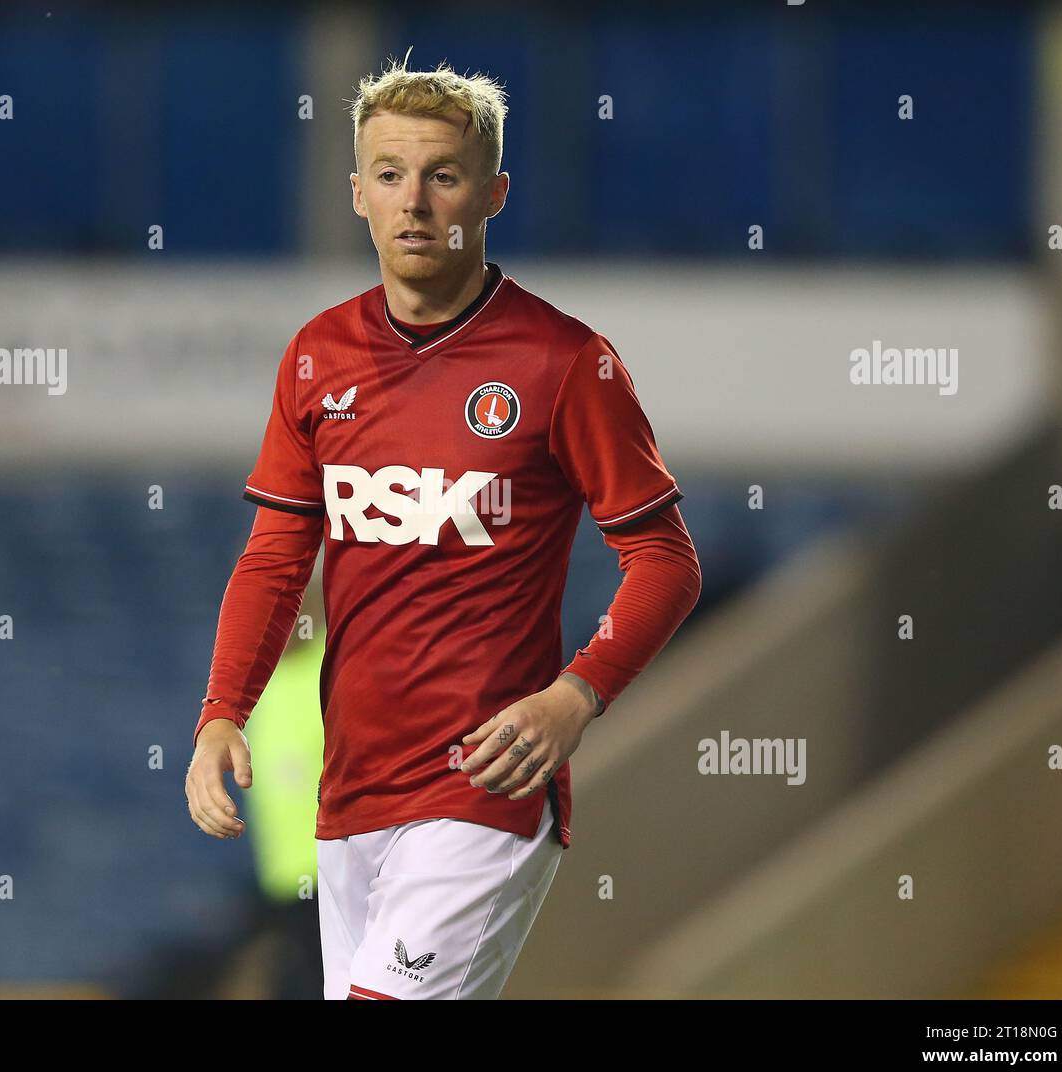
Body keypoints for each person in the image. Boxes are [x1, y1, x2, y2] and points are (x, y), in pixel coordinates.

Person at [185, 51, 702, 1000]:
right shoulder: (314, 358)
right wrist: (222, 711)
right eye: (390, 175)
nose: (415, 202)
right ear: (356, 194)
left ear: (493, 192)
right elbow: (273, 557)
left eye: (443, 176)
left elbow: (666, 561)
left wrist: (573, 697)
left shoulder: (563, 362)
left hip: (484, 792)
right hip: (347, 802)